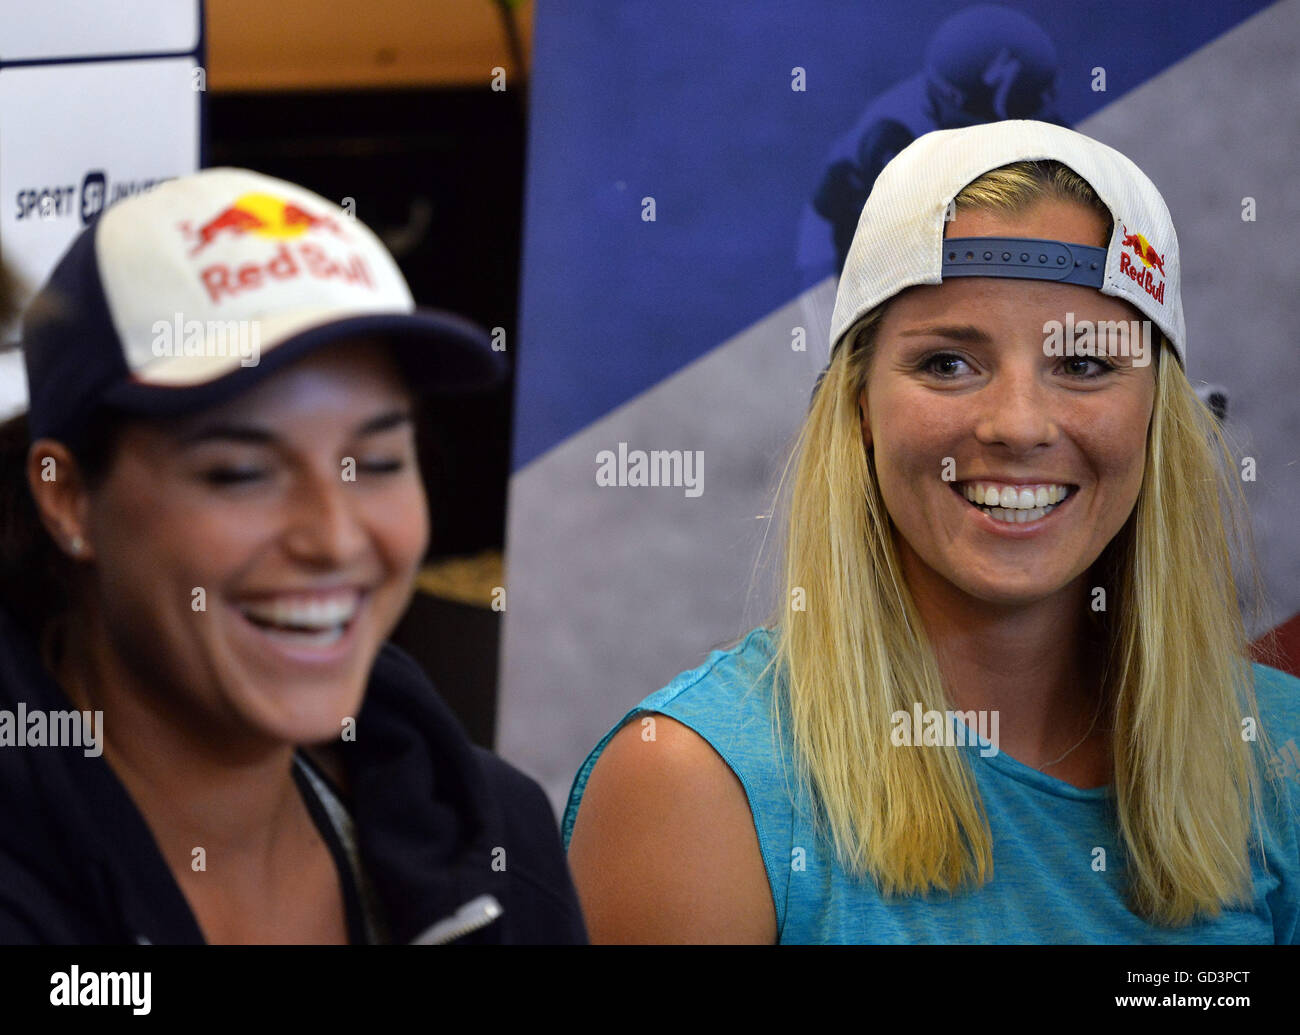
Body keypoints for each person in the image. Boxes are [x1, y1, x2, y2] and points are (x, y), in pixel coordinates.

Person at [564, 120, 1300, 943]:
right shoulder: (694, 784)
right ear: (857, 406)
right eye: (949, 363)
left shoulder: (1282, 757)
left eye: (1086, 363)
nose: (1019, 425)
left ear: (1159, 411)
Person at [0, 168, 587, 944]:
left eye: (376, 463)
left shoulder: (494, 838)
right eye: (241, 473)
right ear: (68, 497)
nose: (336, 538)